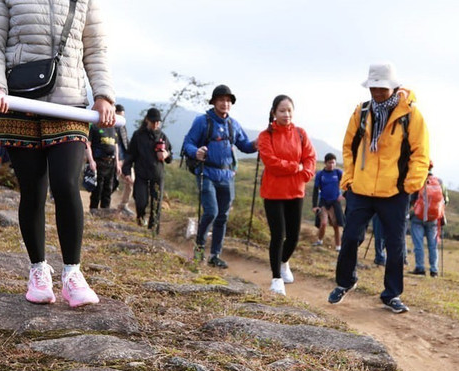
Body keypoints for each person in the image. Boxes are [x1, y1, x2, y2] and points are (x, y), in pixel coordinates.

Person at [0, 0, 115, 307]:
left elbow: (96, 48)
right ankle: (39, 269)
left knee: (67, 186)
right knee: (32, 191)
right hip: (19, 102)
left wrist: (104, 94)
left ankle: (72, 272)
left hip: (69, 103)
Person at [329, 63, 430, 313]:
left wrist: (410, 185)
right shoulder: (361, 111)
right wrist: (349, 179)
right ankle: (345, 282)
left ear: (394, 87)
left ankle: (391, 294)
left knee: (394, 246)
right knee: (351, 237)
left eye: (382, 88)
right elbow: (348, 147)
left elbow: (421, 153)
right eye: (373, 87)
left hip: (394, 192)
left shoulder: (411, 115)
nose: (377, 92)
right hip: (361, 189)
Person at [183, 84, 257, 268]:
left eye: (228, 100)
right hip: (206, 173)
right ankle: (199, 249)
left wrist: (259, 142)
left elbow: (245, 146)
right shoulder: (203, 121)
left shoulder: (233, 125)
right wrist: (196, 152)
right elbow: (188, 144)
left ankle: (215, 255)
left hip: (227, 176)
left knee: (222, 216)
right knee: (211, 212)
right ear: (214, 102)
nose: (225, 103)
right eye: (221, 100)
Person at [256, 95, 316, 295]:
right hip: (273, 193)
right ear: (274, 112)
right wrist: (295, 167)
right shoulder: (266, 136)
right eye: (282, 111)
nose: (286, 114)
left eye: (289, 110)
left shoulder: (300, 133)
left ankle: (283, 262)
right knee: (277, 235)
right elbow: (272, 163)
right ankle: (276, 278)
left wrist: (305, 171)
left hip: (296, 191)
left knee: (293, 237)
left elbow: (310, 157)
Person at [123, 107, 172, 225]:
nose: (156, 124)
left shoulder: (162, 137)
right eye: (153, 121)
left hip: (157, 174)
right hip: (141, 174)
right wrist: (127, 172)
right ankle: (140, 217)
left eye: (158, 122)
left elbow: (170, 156)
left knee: (156, 203)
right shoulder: (138, 136)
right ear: (147, 120)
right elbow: (130, 155)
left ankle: (153, 228)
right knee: (141, 201)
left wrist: (166, 154)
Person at [408, 163, 447, 276]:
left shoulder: (419, 180)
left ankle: (420, 268)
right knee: (433, 244)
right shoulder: (439, 182)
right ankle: (434, 270)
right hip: (434, 218)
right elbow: (446, 199)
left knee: (418, 243)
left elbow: (411, 199)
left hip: (418, 217)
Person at [312, 153, 344, 249]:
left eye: (333, 163)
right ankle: (319, 241)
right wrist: (314, 205)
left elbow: (348, 183)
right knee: (324, 223)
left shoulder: (338, 172)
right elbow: (315, 190)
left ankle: (338, 246)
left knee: (336, 225)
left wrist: (343, 195)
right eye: (329, 163)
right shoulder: (320, 174)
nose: (331, 165)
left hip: (335, 202)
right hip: (324, 201)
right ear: (325, 163)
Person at [87, 117, 119, 211]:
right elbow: (87, 144)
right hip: (98, 161)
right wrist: (91, 160)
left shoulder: (113, 128)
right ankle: (93, 210)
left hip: (110, 162)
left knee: (108, 188)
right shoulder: (94, 127)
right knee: (97, 188)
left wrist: (117, 163)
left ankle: (105, 210)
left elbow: (115, 145)